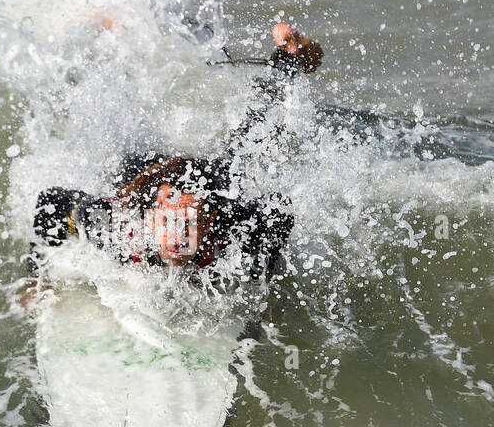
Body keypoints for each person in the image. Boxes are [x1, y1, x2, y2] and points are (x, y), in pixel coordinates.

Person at [24, 23, 322, 300]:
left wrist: (259, 280)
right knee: (118, 162)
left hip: (209, 182)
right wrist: (36, 281)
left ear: (210, 221)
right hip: (144, 172)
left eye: (192, 225)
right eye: (168, 222)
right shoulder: (112, 225)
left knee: (250, 140)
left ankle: (287, 56)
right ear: (151, 218)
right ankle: (108, 31)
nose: (178, 239)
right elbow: (50, 202)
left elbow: (279, 209)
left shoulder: (230, 223)